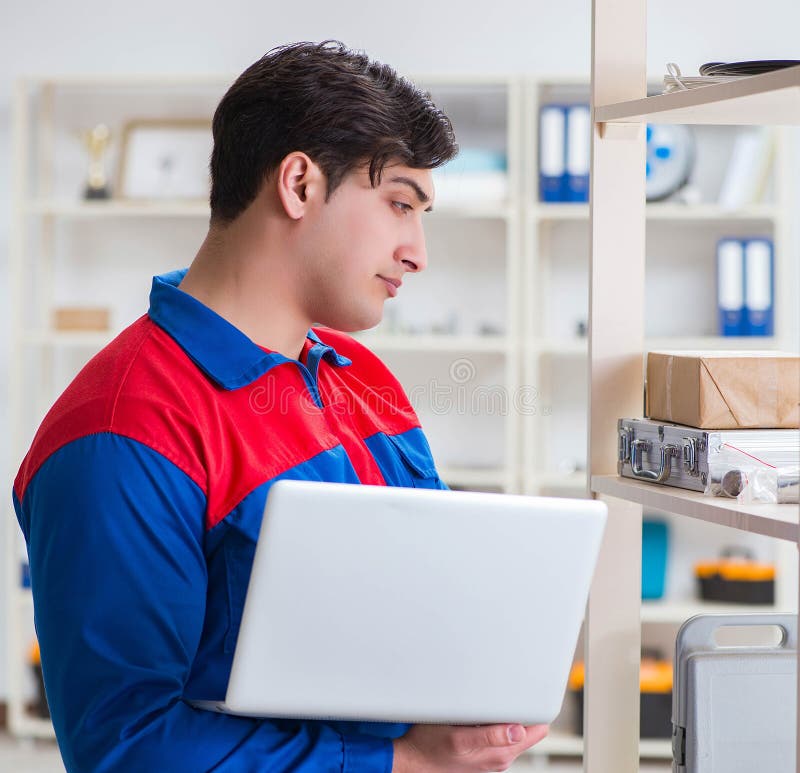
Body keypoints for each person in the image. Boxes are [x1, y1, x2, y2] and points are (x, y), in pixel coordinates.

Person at [13, 41, 548, 772]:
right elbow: (127, 748)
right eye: (399, 204)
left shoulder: (364, 380)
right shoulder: (121, 430)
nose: (418, 250)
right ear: (299, 183)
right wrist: (405, 761)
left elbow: (430, 605)